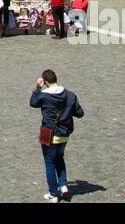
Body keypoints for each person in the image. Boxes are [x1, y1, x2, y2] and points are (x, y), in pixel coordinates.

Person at [30, 69, 85, 202]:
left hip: (49, 134)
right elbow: (80, 113)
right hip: (65, 134)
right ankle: (64, 186)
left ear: (46, 82)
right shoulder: (70, 95)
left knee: (49, 163)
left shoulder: (43, 96)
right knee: (60, 158)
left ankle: (53, 194)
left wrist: (38, 87)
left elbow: (33, 102)